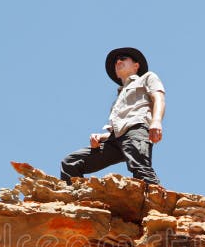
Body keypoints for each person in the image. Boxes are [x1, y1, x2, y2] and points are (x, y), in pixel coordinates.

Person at [60, 47, 165, 186]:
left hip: (136, 129)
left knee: (141, 169)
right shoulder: (117, 100)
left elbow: (159, 98)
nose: (118, 62)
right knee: (70, 163)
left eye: (123, 58)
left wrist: (156, 121)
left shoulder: (147, 77)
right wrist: (101, 137)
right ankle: (75, 196)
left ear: (136, 65)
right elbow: (118, 129)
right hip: (115, 140)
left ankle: (156, 199)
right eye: (116, 61)